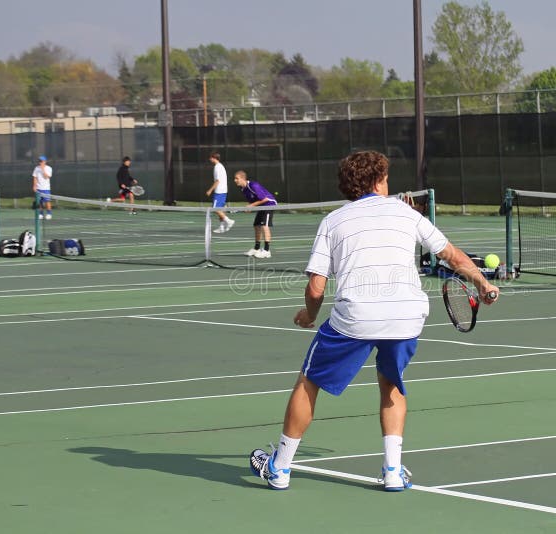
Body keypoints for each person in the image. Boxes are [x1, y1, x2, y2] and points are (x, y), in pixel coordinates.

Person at [248, 150, 499, 491]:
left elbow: (316, 285)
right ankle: (393, 472)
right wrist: (482, 282)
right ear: (378, 181)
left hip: (356, 318)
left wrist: (310, 314)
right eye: (385, 177)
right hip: (407, 317)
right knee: (391, 383)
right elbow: (452, 256)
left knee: (309, 382)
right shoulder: (406, 214)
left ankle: (279, 468)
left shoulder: (333, 221)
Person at [233, 170, 277, 259]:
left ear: (242, 178)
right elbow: (253, 201)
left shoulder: (253, 185)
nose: (235, 180)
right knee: (256, 225)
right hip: (261, 206)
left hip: (269, 204)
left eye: (236, 178)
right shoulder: (243, 189)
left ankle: (267, 251)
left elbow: (264, 199)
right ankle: (256, 249)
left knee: (264, 225)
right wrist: (250, 208)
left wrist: (251, 206)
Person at [206, 152, 235, 233]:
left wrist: (210, 190)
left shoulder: (217, 167)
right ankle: (221, 227)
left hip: (219, 191)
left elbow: (217, 181)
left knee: (215, 208)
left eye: (210, 158)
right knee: (220, 209)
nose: (209, 159)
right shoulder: (220, 166)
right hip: (223, 191)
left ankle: (229, 221)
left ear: (213, 158)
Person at [32, 155, 53, 220]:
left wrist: (43, 169)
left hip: (46, 188)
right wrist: (34, 186)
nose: (40, 162)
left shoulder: (49, 168)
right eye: (39, 161)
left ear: (45, 161)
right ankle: (40, 214)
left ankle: (49, 214)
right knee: (39, 202)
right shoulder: (36, 168)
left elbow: (47, 177)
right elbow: (35, 177)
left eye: (41, 161)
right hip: (38, 188)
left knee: (47, 202)